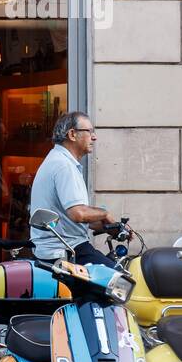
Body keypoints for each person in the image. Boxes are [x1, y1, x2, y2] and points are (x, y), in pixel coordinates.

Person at [29, 111, 120, 268]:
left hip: (64, 247)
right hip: (65, 250)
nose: (94, 137)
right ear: (72, 134)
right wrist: (105, 213)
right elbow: (78, 213)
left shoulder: (58, 160)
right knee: (118, 280)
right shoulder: (64, 165)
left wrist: (111, 227)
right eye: (89, 131)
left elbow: (71, 219)